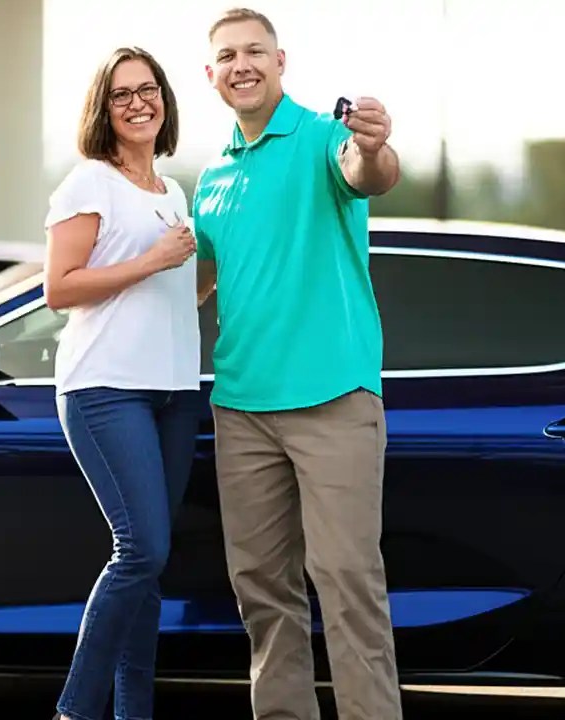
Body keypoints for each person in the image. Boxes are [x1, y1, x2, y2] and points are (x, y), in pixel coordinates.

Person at [190, 8, 403, 720]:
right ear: (210, 73)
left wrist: (374, 144)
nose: (241, 64)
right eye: (227, 55)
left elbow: (368, 172)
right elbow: (197, 287)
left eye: (255, 51)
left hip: (332, 401)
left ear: (282, 62)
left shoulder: (322, 137)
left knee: (347, 583)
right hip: (242, 408)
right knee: (261, 590)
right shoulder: (212, 177)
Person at [43, 46, 206, 720]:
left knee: (149, 569)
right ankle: (75, 711)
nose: (138, 103)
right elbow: (60, 288)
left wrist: (211, 268)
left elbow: (174, 293)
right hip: (105, 388)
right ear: (103, 111)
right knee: (141, 548)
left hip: (172, 391)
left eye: (149, 90)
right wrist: (151, 259)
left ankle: (132, 713)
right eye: (122, 95)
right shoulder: (88, 183)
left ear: (165, 99)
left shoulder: (172, 192)